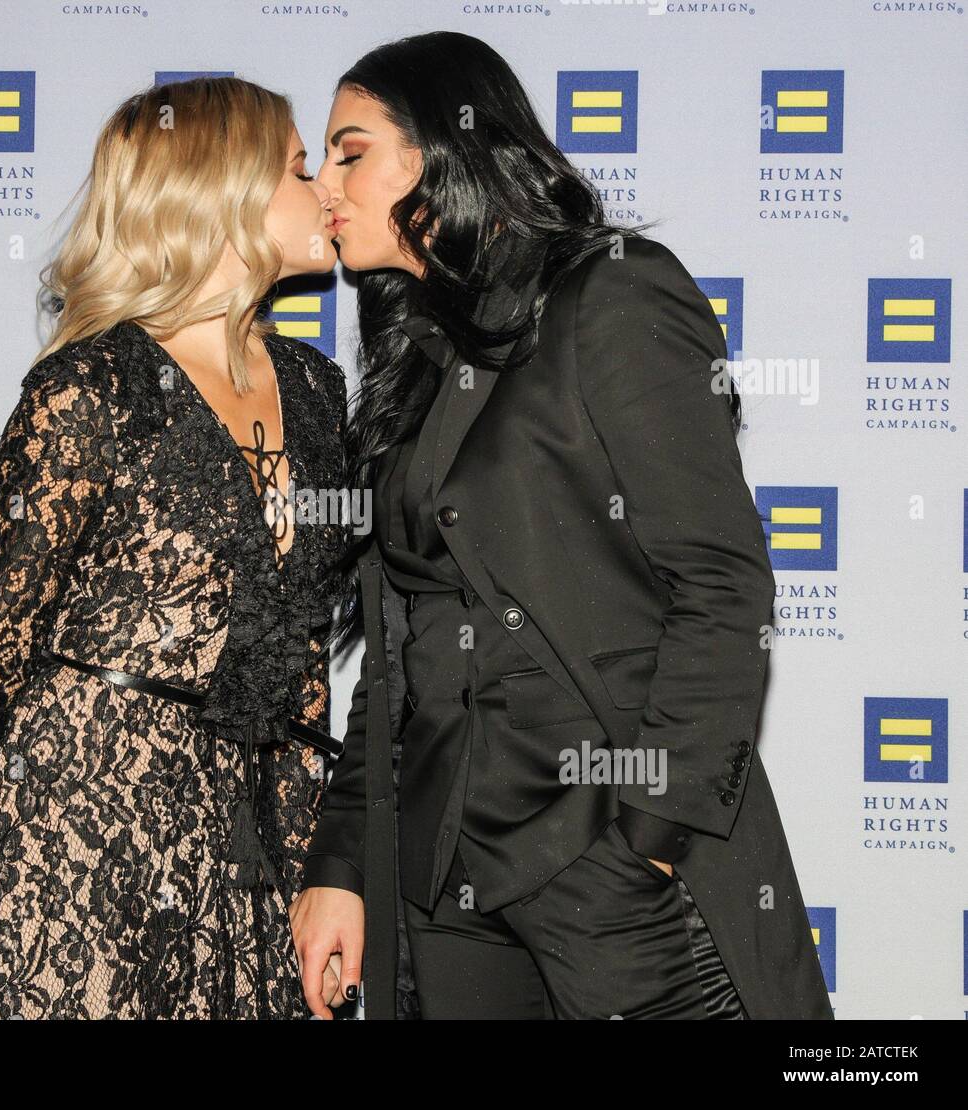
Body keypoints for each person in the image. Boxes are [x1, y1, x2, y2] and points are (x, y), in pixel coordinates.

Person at [0, 76, 351, 1019]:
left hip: (229, 864)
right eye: (296, 168)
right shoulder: (93, 389)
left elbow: (301, 673)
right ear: (221, 188)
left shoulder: (317, 391)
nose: (325, 188)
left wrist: (306, 882)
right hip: (72, 829)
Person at [289, 32, 833, 1021]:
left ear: (442, 151)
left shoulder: (611, 295)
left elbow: (723, 588)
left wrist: (648, 838)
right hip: (440, 890)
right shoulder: (411, 360)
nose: (322, 179)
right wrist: (341, 866)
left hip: (608, 876)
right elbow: (397, 655)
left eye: (349, 150)